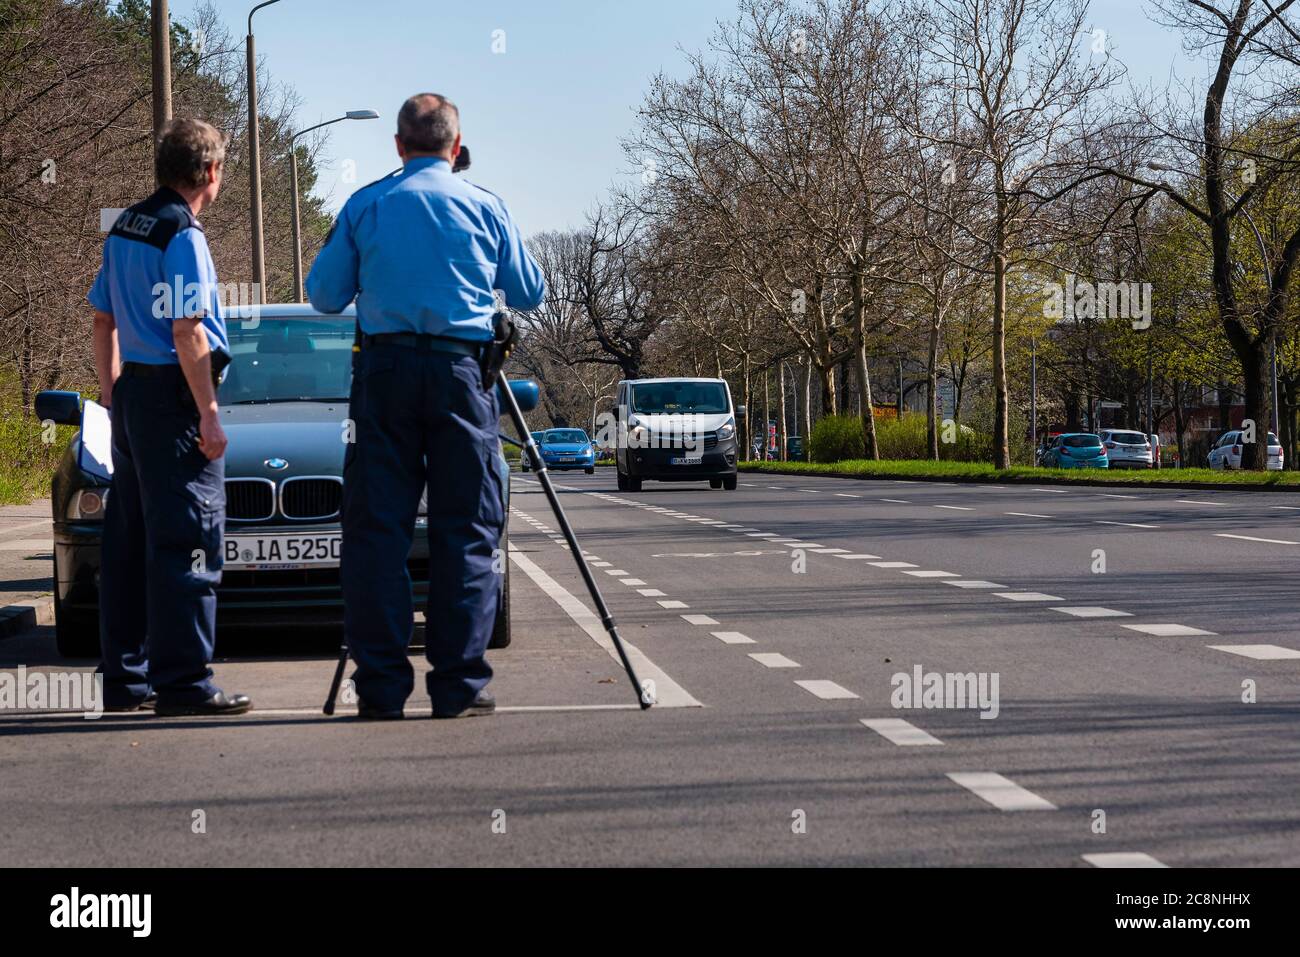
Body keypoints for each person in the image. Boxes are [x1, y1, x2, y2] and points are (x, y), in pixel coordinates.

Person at [307, 93, 544, 720]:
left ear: (398, 145)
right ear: (457, 147)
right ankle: (459, 684)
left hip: (383, 374)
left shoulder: (367, 204)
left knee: (376, 530)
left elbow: (325, 295)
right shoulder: (485, 206)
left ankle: (381, 687)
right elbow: (530, 290)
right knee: (466, 527)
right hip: (461, 374)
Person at [88, 117, 251, 716]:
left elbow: (103, 319)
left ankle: (123, 681)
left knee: (128, 545)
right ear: (209, 170)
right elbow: (189, 332)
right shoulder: (183, 235)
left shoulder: (126, 225)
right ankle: (184, 684)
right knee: (189, 540)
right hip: (172, 402)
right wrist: (208, 413)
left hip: (133, 394)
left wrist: (111, 395)